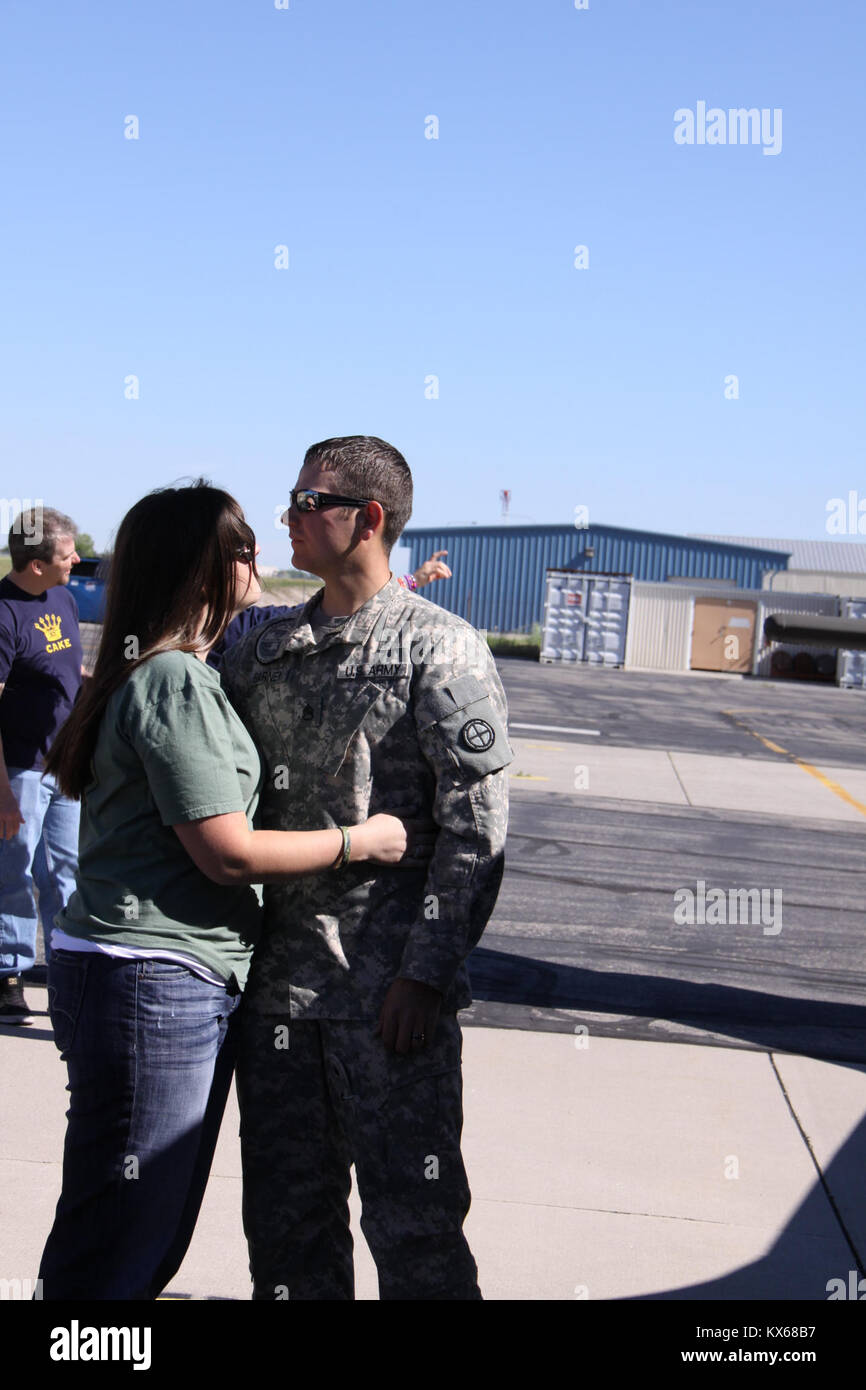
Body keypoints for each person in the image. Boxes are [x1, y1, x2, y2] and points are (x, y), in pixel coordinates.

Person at [37, 481, 414, 1300]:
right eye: (242, 544)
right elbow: (228, 854)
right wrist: (362, 839)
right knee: (124, 1236)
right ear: (204, 563)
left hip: (148, 971)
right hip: (151, 975)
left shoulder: (171, 668)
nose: (260, 551)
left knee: (132, 1226)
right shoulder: (173, 679)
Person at [220, 436, 512, 1301]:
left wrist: (425, 976)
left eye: (309, 502)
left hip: (387, 1007)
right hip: (278, 999)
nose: (289, 517)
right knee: (286, 1235)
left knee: (415, 1232)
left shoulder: (441, 650)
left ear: (368, 519)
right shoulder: (263, 647)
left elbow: (475, 832)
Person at [0, 508, 82, 1024]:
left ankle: (67, 969)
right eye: (67, 553)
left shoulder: (65, 597)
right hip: (19, 768)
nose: (77, 558)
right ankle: (9, 971)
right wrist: (3, 793)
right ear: (35, 565)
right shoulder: (3, 613)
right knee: (14, 870)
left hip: (65, 761)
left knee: (67, 870)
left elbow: (66, 670)